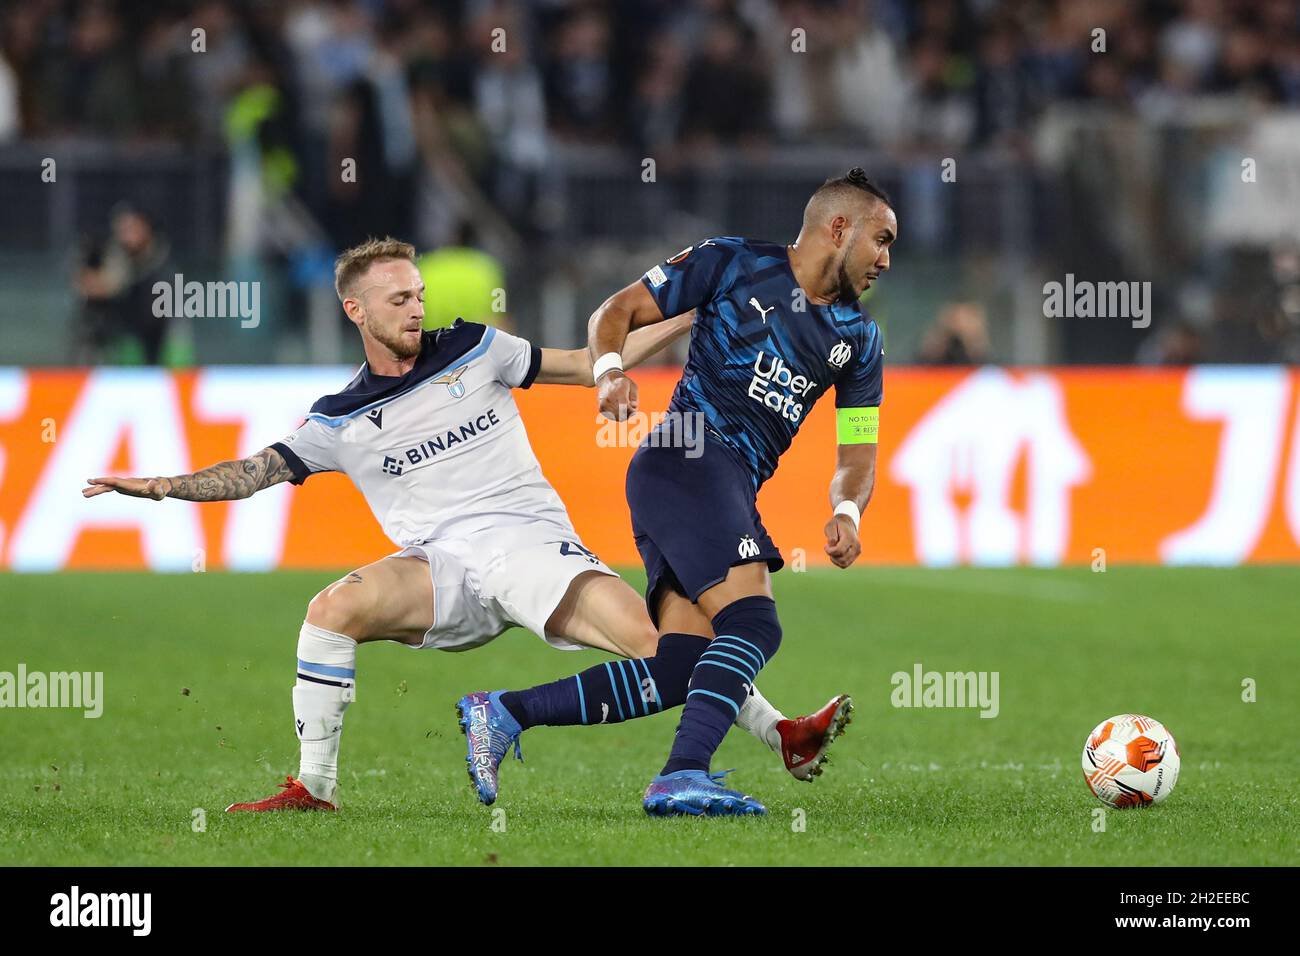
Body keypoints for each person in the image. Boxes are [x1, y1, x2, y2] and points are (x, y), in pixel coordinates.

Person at [82, 237, 845, 812]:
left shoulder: (476, 349)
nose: (414, 308)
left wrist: (679, 317)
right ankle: (315, 787)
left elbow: (584, 363)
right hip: (440, 567)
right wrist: (158, 488)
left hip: (527, 542)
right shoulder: (337, 419)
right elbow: (254, 474)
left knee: (666, 655)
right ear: (355, 311)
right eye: (396, 300)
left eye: (416, 294)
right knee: (329, 612)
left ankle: (779, 732)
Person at [477, 169, 893, 817]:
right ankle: (681, 774)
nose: (886, 260)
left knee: (679, 667)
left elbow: (858, 451)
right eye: (881, 240)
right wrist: (610, 373)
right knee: (753, 621)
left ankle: (504, 712)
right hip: (688, 459)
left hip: (714, 486)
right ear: (839, 228)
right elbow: (617, 311)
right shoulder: (731, 261)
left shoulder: (859, 341)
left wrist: (846, 509)